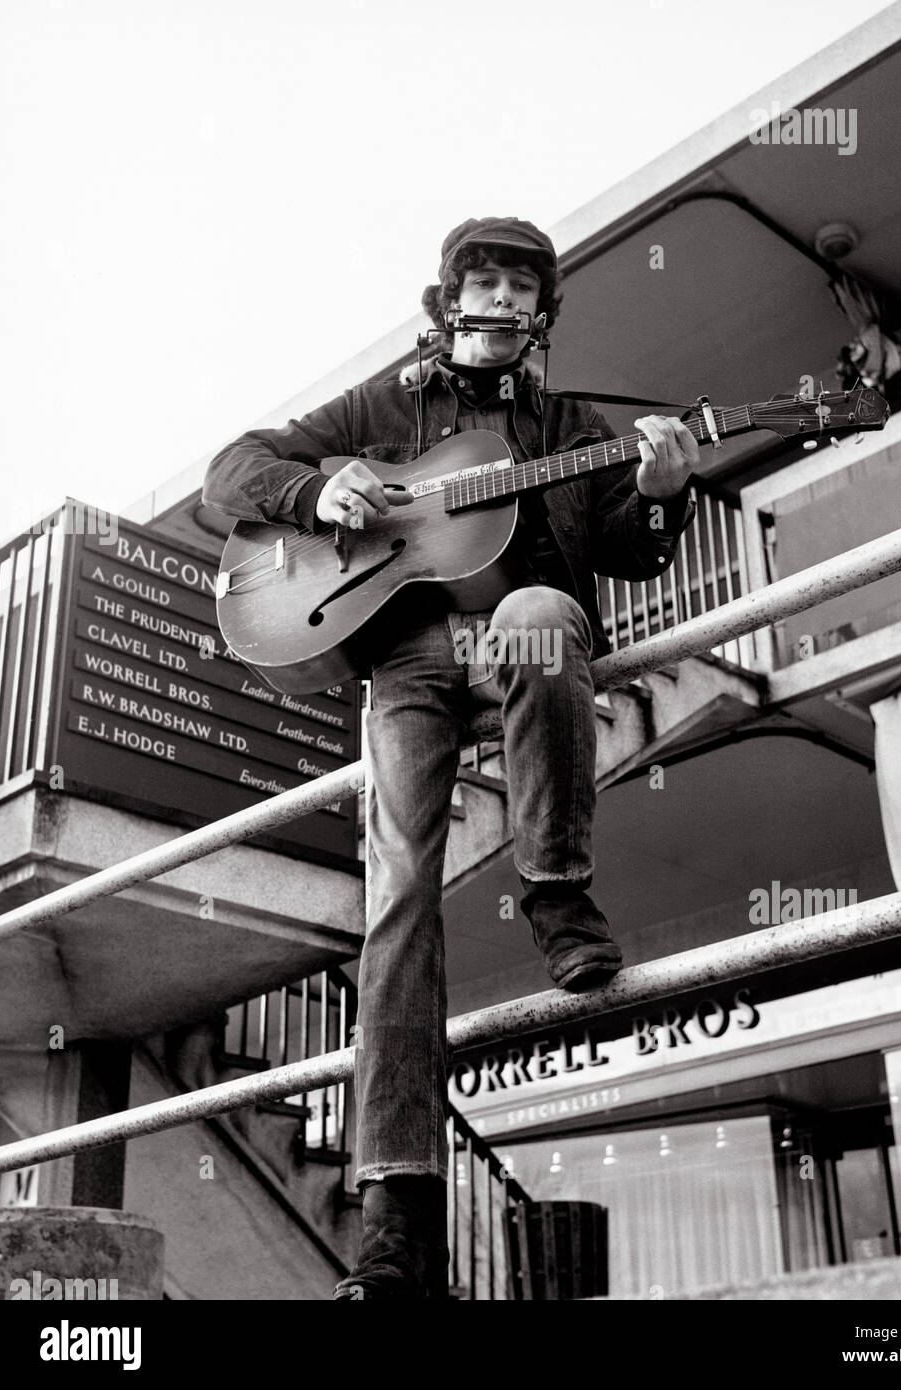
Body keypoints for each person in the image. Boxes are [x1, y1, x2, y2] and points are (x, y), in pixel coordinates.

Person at [202, 216, 699, 1299]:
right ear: (448, 300)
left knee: (536, 607)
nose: (503, 299)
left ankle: (557, 894)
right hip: (409, 660)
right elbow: (230, 472)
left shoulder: (570, 423)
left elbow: (625, 542)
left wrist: (660, 491)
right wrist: (314, 491)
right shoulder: (385, 406)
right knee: (397, 910)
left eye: (523, 288)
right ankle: (395, 1231)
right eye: (483, 280)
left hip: (523, 639)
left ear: (539, 317)